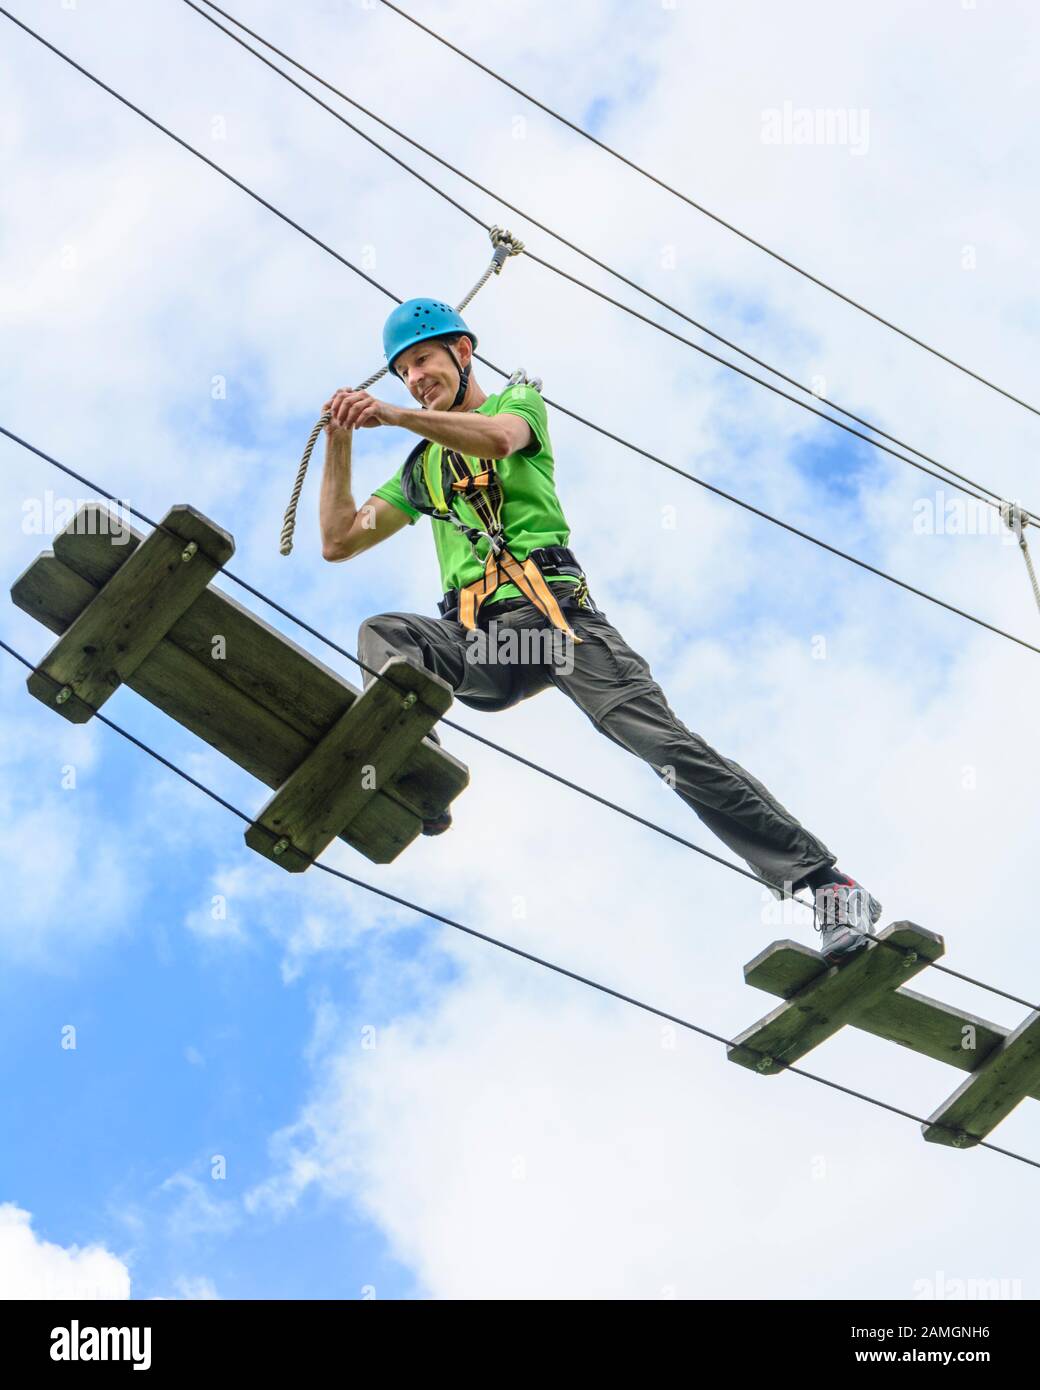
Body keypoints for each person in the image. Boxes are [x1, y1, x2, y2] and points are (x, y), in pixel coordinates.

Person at [318, 298, 881, 960]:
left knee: (666, 748)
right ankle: (420, 775)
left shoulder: (520, 402)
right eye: (402, 373)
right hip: (487, 645)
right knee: (385, 634)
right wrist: (342, 439)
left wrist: (388, 414)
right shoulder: (420, 469)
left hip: (559, 624)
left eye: (423, 361)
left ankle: (827, 884)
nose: (414, 379)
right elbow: (338, 540)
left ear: (462, 352)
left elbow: (498, 441)